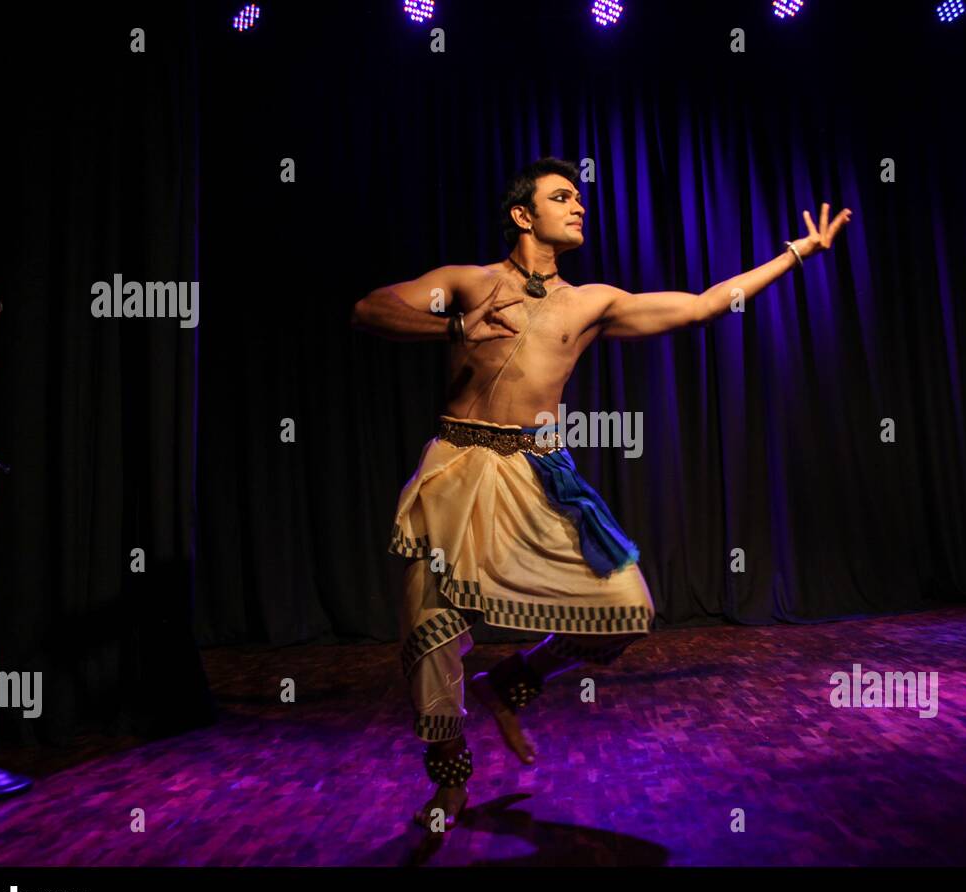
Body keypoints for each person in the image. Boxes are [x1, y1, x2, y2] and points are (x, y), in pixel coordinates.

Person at [351, 156, 851, 830]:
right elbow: (370, 309)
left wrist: (795, 253)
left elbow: (704, 304)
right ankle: (450, 780)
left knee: (627, 607)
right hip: (458, 469)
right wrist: (454, 327)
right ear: (522, 215)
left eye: (579, 198)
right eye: (562, 197)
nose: (578, 206)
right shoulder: (468, 285)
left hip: (536, 471)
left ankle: (513, 681)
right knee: (431, 633)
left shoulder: (591, 303)